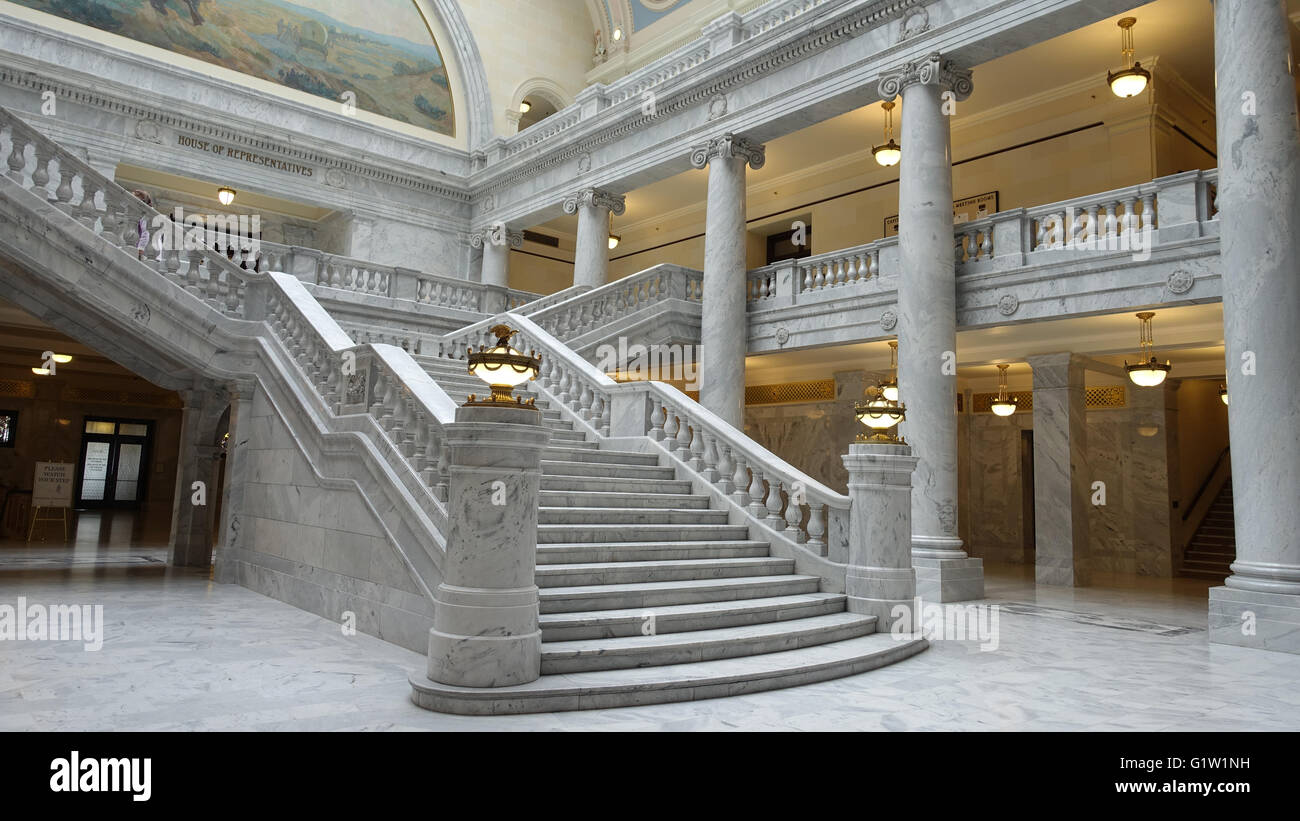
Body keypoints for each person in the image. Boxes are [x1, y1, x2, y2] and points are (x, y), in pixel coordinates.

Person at [131, 189, 153, 260]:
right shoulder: (141, 214)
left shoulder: (147, 215)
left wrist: (140, 249)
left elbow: (146, 233)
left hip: (146, 252)